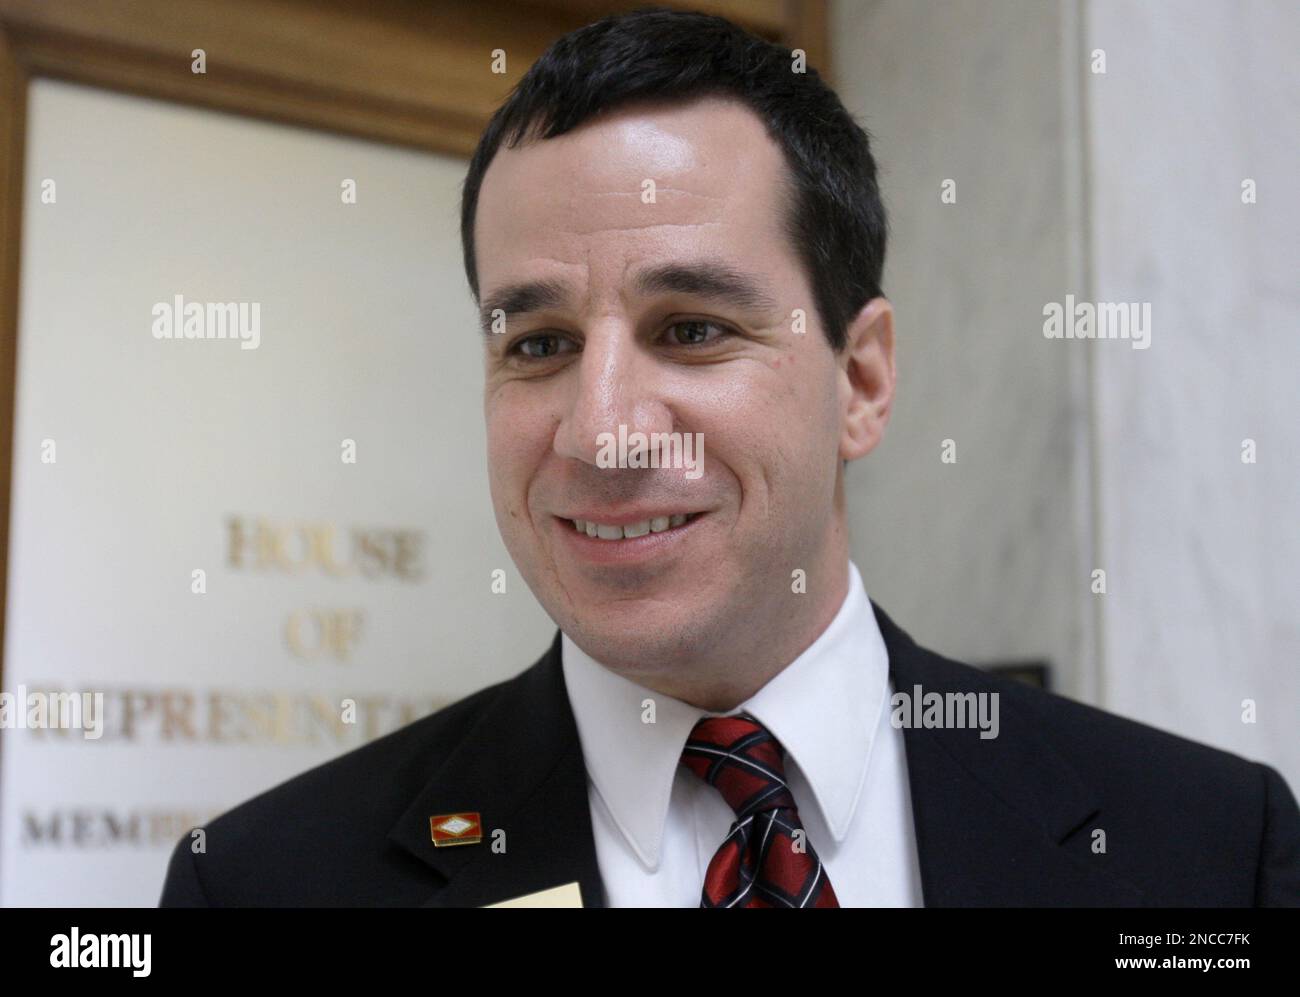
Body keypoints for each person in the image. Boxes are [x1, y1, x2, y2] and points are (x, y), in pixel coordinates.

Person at [159, 6, 1300, 908]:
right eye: (540, 343)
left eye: (691, 330)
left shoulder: (1204, 845)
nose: (602, 431)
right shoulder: (266, 883)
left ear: (859, 380)